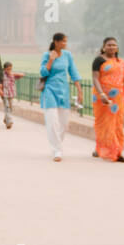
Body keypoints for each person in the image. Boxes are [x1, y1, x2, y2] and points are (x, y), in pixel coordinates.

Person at [92, 36, 124, 162]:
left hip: (117, 100)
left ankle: (115, 152)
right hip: (103, 98)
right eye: (109, 45)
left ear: (117, 48)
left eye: (114, 45)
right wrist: (102, 94)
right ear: (103, 47)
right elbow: (95, 78)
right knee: (103, 124)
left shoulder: (120, 63)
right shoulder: (99, 60)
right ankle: (111, 151)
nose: (112, 47)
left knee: (117, 125)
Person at [40, 32, 83, 161]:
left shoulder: (68, 55)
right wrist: (51, 59)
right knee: (52, 121)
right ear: (56, 42)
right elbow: (43, 72)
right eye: (63, 41)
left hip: (63, 91)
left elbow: (73, 72)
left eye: (66, 41)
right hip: (49, 90)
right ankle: (57, 150)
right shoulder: (47, 55)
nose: (65, 44)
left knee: (64, 123)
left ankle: (57, 144)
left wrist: (80, 91)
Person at [0, 61, 23, 129]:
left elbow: (22, 75)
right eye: (7, 69)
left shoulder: (12, 75)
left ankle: (6, 119)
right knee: (7, 107)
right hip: (4, 93)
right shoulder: (2, 75)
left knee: (10, 107)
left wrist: (12, 73)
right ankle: (9, 122)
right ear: (4, 69)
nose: (9, 70)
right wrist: (0, 91)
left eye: (10, 69)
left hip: (11, 93)